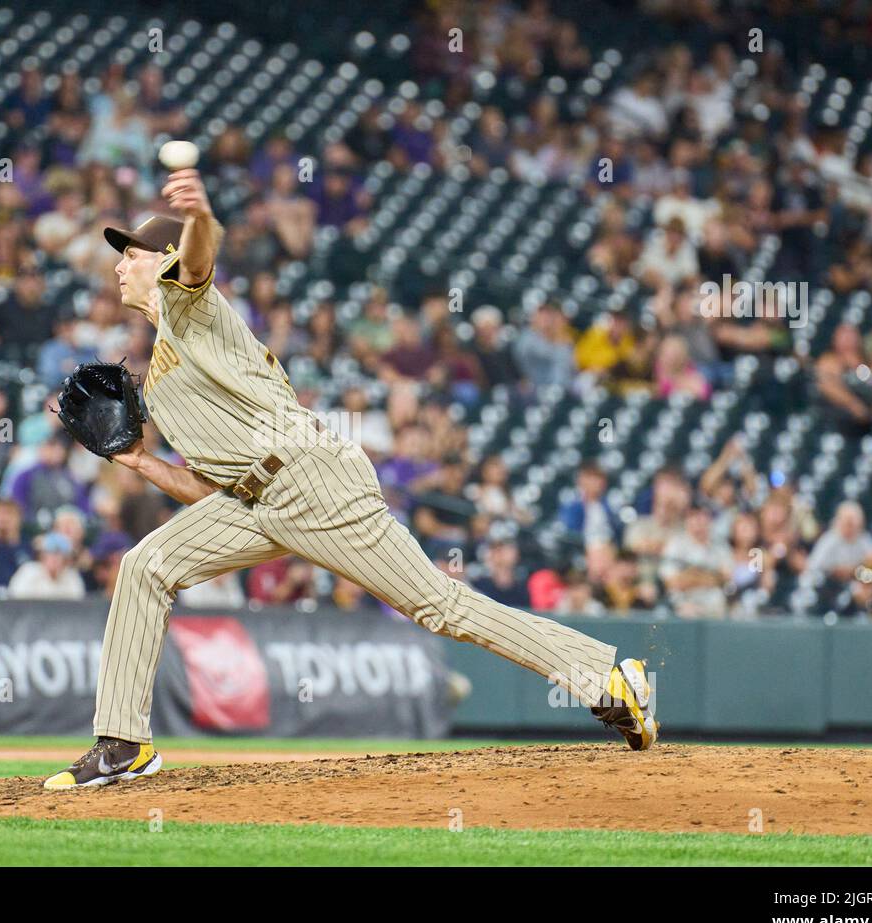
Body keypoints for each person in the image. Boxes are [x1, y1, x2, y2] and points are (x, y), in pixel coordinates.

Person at [42, 172, 657, 791]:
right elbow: (213, 493)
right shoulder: (161, 388)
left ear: (167, 259)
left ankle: (603, 675)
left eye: (133, 253)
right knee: (147, 566)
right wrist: (142, 464)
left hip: (313, 479)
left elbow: (200, 262)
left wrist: (201, 218)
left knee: (437, 605)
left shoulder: (188, 308)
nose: (120, 264)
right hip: (257, 501)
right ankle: (123, 744)